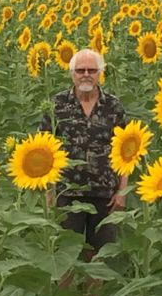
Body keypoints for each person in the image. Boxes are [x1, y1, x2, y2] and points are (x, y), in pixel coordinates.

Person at [44, 49, 127, 260]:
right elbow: (45, 149)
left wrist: (122, 191)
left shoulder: (113, 106)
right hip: (68, 192)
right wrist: (49, 192)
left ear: (100, 73)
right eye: (81, 70)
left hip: (105, 193)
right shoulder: (57, 105)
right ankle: (66, 293)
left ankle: (94, 295)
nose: (86, 74)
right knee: (65, 254)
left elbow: (125, 151)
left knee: (99, 255)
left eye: (92, 70)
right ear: (72, 73)